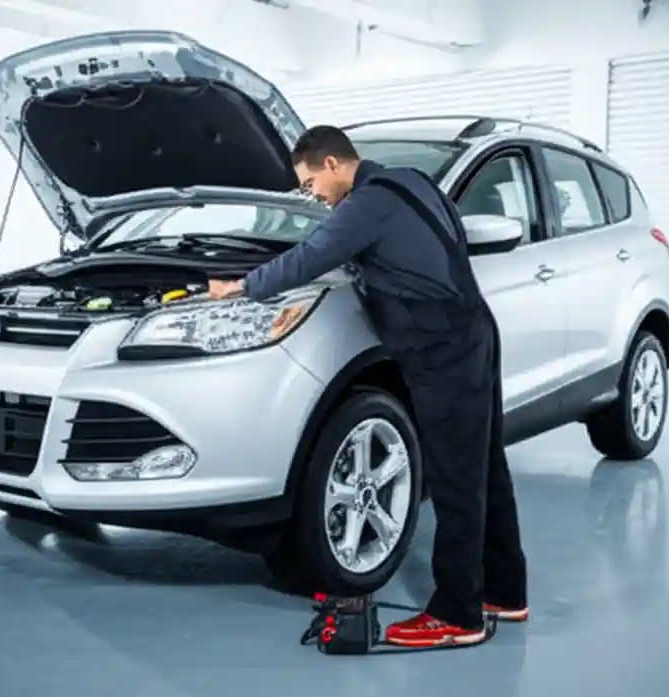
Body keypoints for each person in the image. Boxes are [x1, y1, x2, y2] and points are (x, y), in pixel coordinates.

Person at [209, 126, 528, 647]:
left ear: (333, 164)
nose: (311, 193)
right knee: (484, 466)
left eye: (311, 181)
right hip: (471, 327)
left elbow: (308, 258)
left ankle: (459, 615)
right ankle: (505, 593)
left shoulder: (365, 205)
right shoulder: (411, 181)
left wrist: (241, 286)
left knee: (453, 477)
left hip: (439, 343)